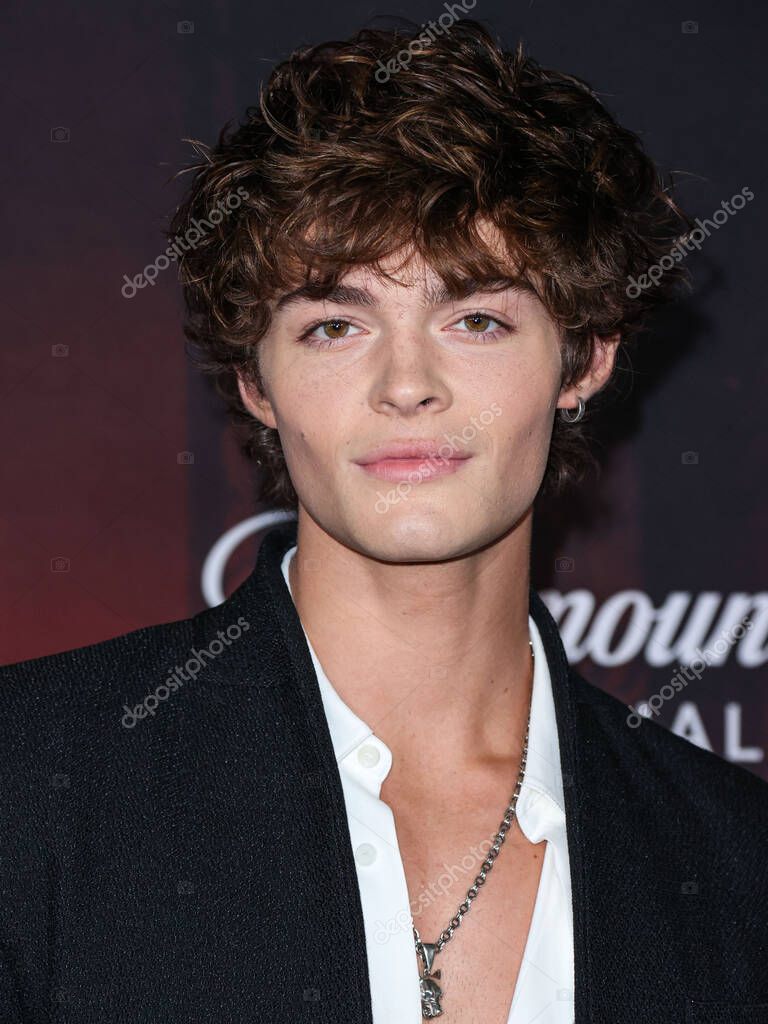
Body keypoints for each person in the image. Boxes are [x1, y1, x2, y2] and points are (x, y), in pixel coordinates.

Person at [1, 18, 767, 1024]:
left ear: (584, 358)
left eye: (477, 318)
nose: (407, 383)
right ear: (256, 380)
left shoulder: (733, 859)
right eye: (335, 324)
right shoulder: (32, 782)